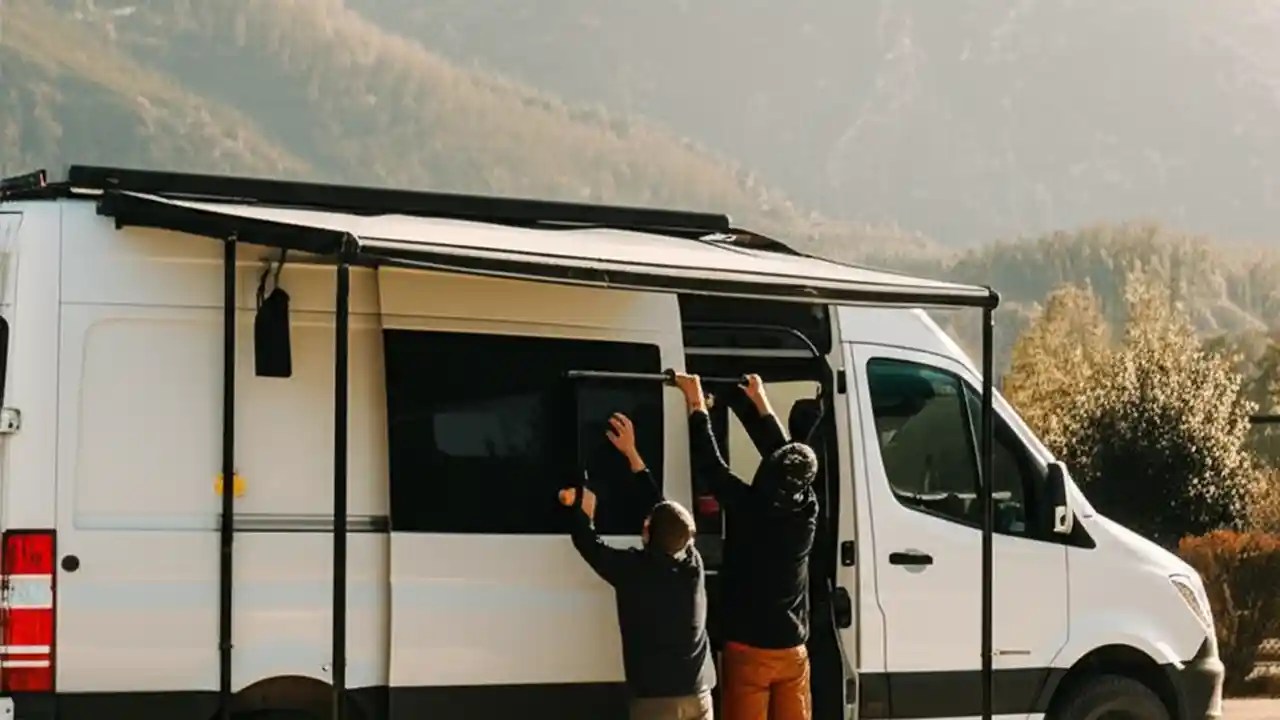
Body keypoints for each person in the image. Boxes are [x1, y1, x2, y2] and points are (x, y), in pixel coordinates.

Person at [673, 372, 819, 720]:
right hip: (792, 648)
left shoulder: (750, 507)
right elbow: (781, 456)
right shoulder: (806, 510)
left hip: (749, 647)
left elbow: (711, 465)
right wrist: (760, 402)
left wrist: (697, 405)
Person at [558, 412, 717, 720]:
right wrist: (632, 454)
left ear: (646, 530)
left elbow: (589, 545)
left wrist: (583, 511)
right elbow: (662, 513)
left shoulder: (632, 570)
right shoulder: (693, 566)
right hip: (698, 697)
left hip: (655, 703)